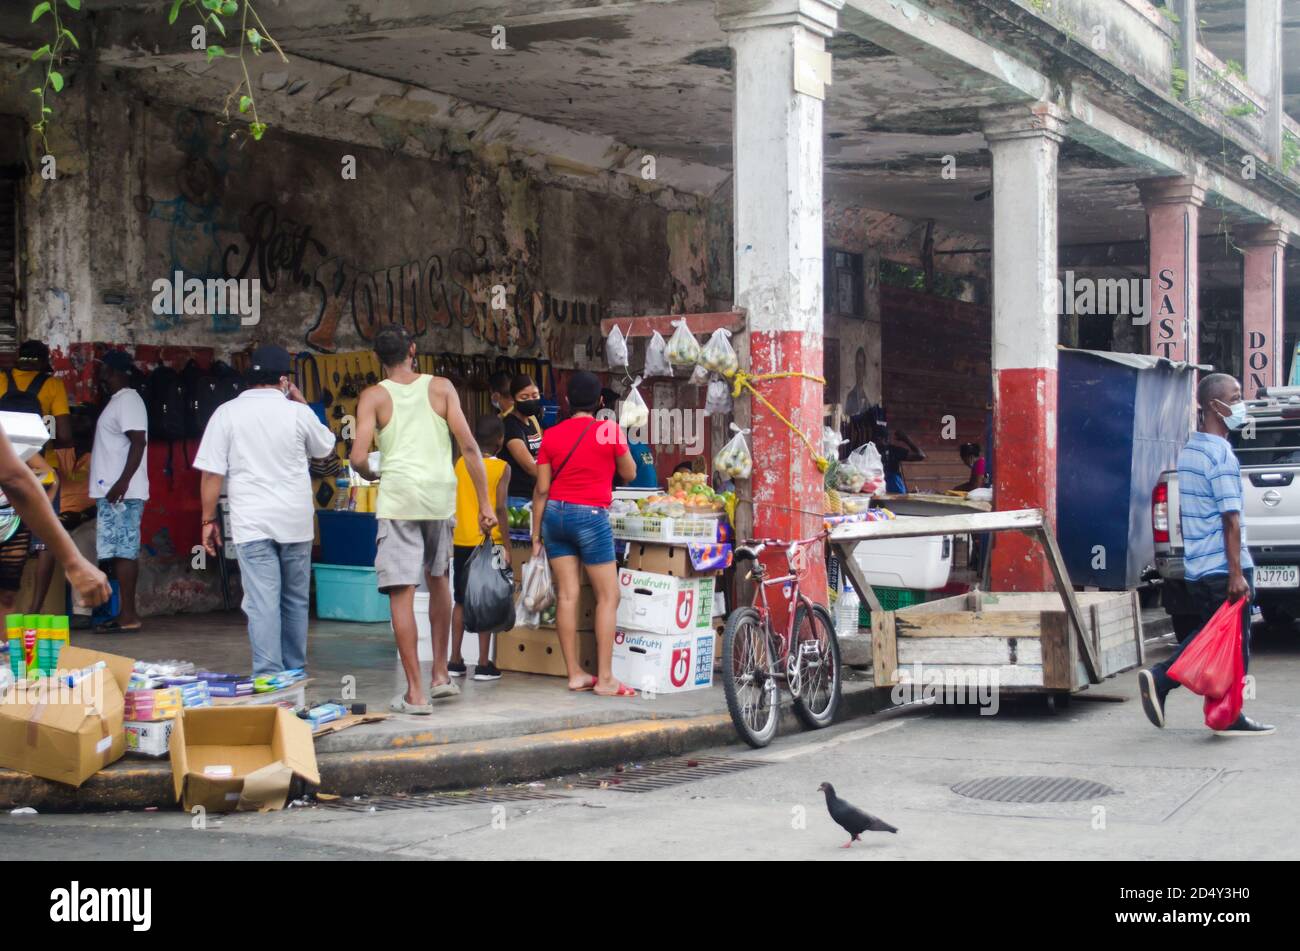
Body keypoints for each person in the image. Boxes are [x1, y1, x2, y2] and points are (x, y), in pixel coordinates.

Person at [351, 324, 495, 714]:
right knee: (439, 579)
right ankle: (441, 676)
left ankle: (415, 694)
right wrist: (485, 504)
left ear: (379, 358)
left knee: (402, 591)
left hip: (399, 499)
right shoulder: (442, 388)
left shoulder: (373, 397)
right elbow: (468, 446)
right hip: (438, 497)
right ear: (412, 350)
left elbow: (358, 456)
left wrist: (371, 474)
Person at [1138, 373, 1274, 736]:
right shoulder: (1220, 455)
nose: (1241, 402)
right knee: (1227, 644)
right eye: (1235, 396)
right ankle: (1163, 678)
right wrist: (1236, 573)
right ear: (1216, 405)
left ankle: (1225, 714)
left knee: (1215, 640)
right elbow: (1231, 519)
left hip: (1198, 568)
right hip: (1223, 568)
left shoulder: (1191, 451)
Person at [195, 346, 337, 677]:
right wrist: (301, 403)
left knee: (262, 602)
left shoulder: (226, 413)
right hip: (295, 523)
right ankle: (294, 674)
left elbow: (212, 474)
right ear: (284, 381)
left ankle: (269, 677)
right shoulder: (297, 413)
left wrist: (207, 520)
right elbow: (325, 447)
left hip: (252, 524)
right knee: (295, 601)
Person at [532, 371, 638, 696]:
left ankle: (575, 673)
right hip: (590, 516)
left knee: (567, 596)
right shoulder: (609, 431)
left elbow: (542, 488)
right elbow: (630, 472)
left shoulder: (551, 434)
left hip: (554, 516)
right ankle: (605, 678)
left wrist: (536, 535)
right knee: (609, 596)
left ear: (566, 401)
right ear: (601, 402)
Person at [0, 424, 109, 610]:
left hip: (10, 519)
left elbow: (29, 477)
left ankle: (30, 613)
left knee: (6, 593)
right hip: (14, 514)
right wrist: (74, 562)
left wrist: (42, 507)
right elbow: (14, 478)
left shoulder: (15, 443)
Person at [89, 350, 148, 632]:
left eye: (103, 368)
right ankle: (120, 613)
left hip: (123, 492)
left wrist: (123, 482)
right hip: (113, 491)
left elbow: (138, 442)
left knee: (124, 552)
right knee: (115, 551)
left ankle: (129, 615)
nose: (99, 373)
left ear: (113, 371)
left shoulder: (129, 400)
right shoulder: (117, 402)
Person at [449, 415, 510, 682]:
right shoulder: (502, 468)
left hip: (461, 540)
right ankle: (483, 664)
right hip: (490, 541)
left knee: (461, 599)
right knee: (487, 599)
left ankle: (454, 660)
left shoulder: (461, 463)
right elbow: (500, 508)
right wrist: (506, 543)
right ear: (500, 440)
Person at [0, 340, 72, 447]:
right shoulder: (54, 384)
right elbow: (64, 436)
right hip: (42, 458)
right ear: (43, 362)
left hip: (5, 457)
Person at [503, 374, 544, 507]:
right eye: (524, 397)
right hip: (516, 499)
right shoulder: (510, 425)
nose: (531, 400)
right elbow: (529, 466)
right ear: (514, 398)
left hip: (532, 495)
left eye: (535, 395)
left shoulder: (530, 422)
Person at [873, 424, 925, 495]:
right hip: (879, 492)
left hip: (894, 491)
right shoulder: (868, 453)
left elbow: (921, 455)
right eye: (876, 439)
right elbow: (921, 455)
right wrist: (906, 439)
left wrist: (906, 439)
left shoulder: (893, 451)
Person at [844, 347, 869, 419]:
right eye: (857, 364)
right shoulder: (850, 397)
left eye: (861, 365)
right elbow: (847, 421)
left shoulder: (868, 402)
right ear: (855, 367)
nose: (859, 369)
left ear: (864, 369)